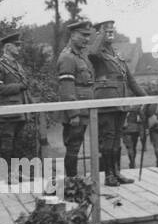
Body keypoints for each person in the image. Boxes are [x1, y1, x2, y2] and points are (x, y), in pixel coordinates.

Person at [89, 19, 146, 185]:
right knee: (108, 139)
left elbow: (131, 80)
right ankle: (108, 175)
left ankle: (116, 172)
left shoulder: (117, 54)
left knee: (116, 140)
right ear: (99, 33)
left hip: (120, 102)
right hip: (106, 102)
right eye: (107, 31)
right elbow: (93, 53)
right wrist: (101, 35)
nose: (110, 33)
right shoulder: (97, 53)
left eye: (112, 31)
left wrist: (147, 98)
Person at [56, 19, 95, 179]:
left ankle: (74, 180)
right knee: (73, 147)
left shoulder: (81, 56)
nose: (86, 39)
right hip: (76, 111)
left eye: (88, 35)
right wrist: (73, 114)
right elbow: (66, 89)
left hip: (84, 108)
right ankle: (71, 181)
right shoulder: (67, 57)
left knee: (76, 146)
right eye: (83, 35)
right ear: (73, 35)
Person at [0, 32, 33, 167]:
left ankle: (15, 172)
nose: (19, 48)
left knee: (18, 145)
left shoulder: (17, 65)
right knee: (6, 145)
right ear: (7, 47)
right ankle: (4, 174)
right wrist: (18, 87)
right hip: (8, 112)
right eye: (16, 45)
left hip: (20, 111)